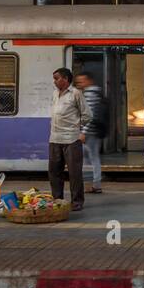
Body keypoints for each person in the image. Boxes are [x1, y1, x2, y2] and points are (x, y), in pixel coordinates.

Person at [48, 67, 90, 211]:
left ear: (65, 79)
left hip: (71, 139)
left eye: (56, 78)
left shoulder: (76, 94)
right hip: (54, 139)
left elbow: (87, 115)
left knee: (74, 173)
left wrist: (81, 131)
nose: (54, 82)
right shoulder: (54, 94)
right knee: (54, 172)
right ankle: (58, 200)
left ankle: (77, 202)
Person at [75, 71, 107, 194]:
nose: (79, 84)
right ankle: (92, 183)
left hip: (90, 133)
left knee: (91, 158)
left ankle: (95, 184)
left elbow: (90, 116)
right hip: (93, 132)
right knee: (89, 157)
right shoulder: (96, 92)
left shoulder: (90, 94)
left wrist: (83, 132)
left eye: (81, 81)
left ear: (89, 81)